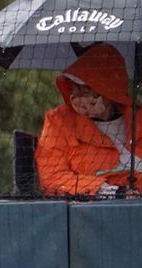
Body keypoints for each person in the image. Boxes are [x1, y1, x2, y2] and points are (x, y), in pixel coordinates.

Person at [36, 43, 142, 198]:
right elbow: (52, 177)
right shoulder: (59, 121)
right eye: (74, 88)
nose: (77, 97)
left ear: (108, 89)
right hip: (89, 209)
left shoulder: (137, 118)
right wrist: (110, 191)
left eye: (85, 88)